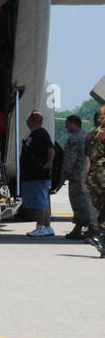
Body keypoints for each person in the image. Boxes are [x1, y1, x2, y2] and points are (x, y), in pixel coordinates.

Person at [20, 110, 56, 237]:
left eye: (28, 119)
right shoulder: (34, 134)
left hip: (38, 174)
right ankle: (47, 226)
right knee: (43, 200)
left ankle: (41, 226)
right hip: (33, 174)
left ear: (33, 121)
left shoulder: (41, 133)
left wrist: (49, 162)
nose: (26, 121)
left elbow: (50, 148)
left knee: (40, 200)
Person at [62, 114, 97, 240]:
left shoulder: (74, 138)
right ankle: (82, 227)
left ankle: (86, 228)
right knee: (86, 202)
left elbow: (71, 159)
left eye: (67, 124)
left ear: (74, 124)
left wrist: (65, 173)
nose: (66, 127)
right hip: (87, 174)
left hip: (76, 176)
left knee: (77, 202)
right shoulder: (87, 136)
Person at [85, 106, 105, 254]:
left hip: (94, 176)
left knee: (101, 208)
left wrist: (87, 177)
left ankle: (100, 237)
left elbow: (88, 158)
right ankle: (101, 238)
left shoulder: (91, 135)